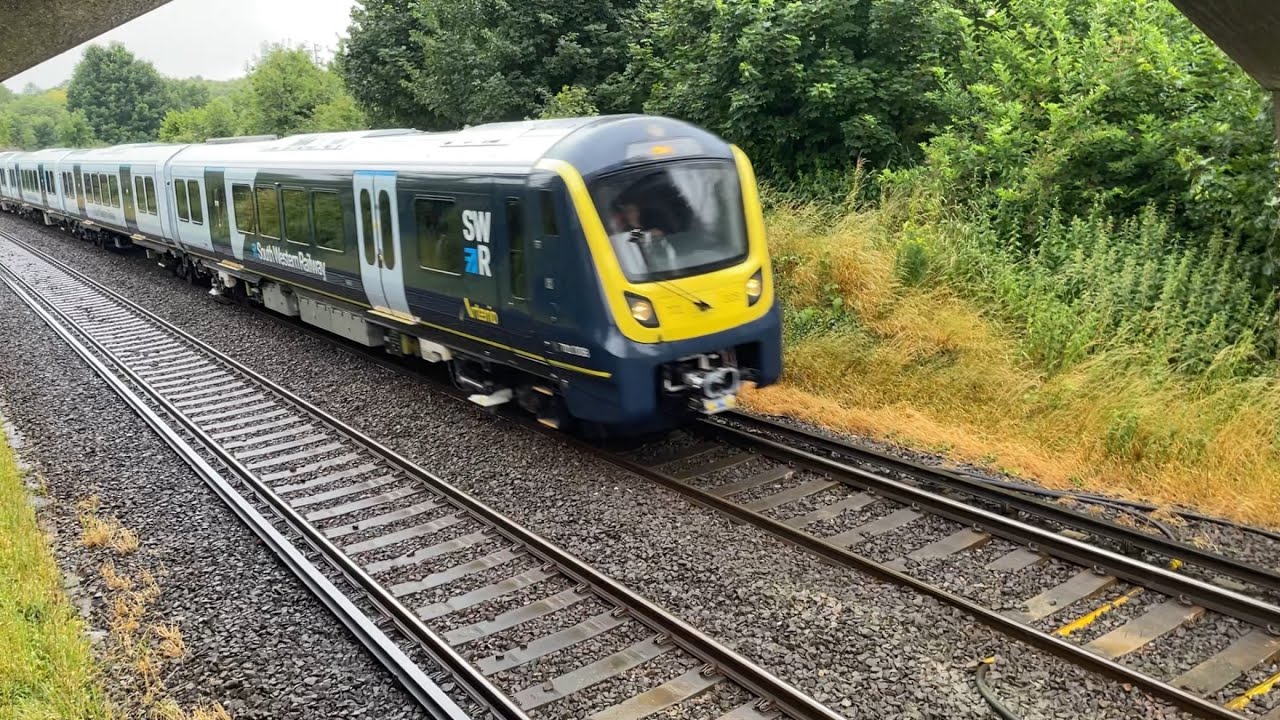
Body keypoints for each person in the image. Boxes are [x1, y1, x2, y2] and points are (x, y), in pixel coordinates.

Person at [609, 201, 673, 276]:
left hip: (661, 265)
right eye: (628, 211)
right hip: (640, 270)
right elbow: (630, 238)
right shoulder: (626, 231)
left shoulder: (647, 226)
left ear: (638, 212)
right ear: (625, 215)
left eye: (633, 210)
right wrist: (649, 234)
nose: (631, 213)